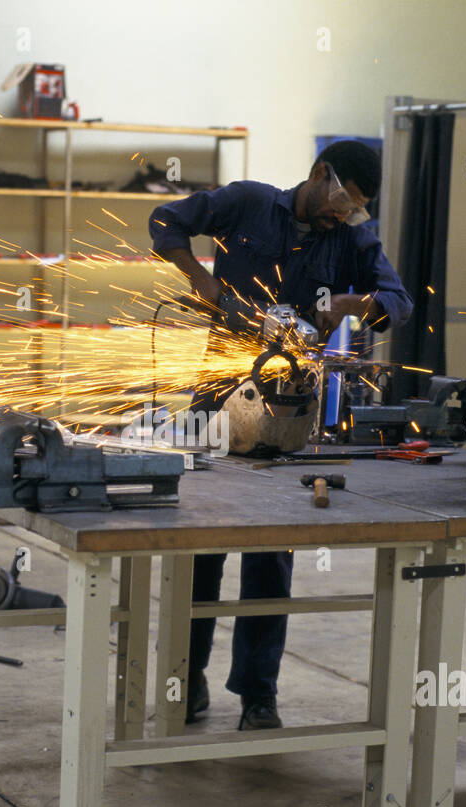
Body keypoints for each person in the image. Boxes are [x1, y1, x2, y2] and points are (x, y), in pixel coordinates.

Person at [149, 140, 412, 729]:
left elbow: (400, 301)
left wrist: (352, 305)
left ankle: (257, 694)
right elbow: (165, 220)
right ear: (321, 174)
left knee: (272, 554)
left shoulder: (351, 237)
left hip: (289, 412)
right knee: (201, 548)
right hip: (217, 401)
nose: (343, 216)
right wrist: (206, 285)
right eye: (342, 201)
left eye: (356, 210)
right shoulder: (246, 204)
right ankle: (186, 676)